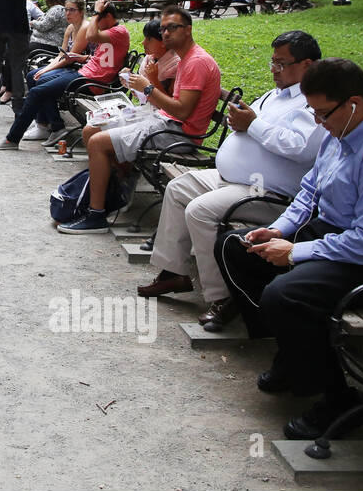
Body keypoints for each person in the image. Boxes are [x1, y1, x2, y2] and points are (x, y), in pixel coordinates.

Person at [216, 59, 363, 441]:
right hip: (344, 237)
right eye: (314, 113)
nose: (318, 122)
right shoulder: (340, 131)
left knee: (286, 294)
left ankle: (341, 400)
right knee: (236, 247)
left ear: (354, 102)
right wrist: (278, 229)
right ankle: (295, 356)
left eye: (322, 113)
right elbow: (310, 191)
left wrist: (294, 254)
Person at [134, 31, 324, 329]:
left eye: (281, 63)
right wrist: (242, 123)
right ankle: (175, 272)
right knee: (178, 188)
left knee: (200, 210)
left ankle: (225, 296)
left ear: (308, 65)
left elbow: (301, 148)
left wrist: (253, 125)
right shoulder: (276, 94)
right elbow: (251, 123)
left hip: (266, 192)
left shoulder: (313, 101)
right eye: (272, 62)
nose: (274, 69)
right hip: (231, 178)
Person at [57, 4, 220, 234]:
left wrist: (149, 89)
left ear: (188, 29)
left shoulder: (196, 62)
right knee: (93, 130)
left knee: (97, 142)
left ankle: (96, 215)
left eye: (172, 28)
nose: (166, 33)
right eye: (163, 29)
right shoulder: (187, 58)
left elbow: (182, 113)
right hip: (165, 121)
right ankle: (117, 191)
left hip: (179, 133)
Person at [0, 0, 129, 145]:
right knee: (35, 78)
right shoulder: (111, 31)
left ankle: (12, 139)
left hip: (91, 81)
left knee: (38, 91)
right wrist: (83, 58)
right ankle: (50, 126)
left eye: (98, 18)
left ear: (107, 16)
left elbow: (91, 35)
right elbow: (104, 58)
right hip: (84, 72)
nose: (96, 23)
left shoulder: (118, 31)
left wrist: (96, 12)